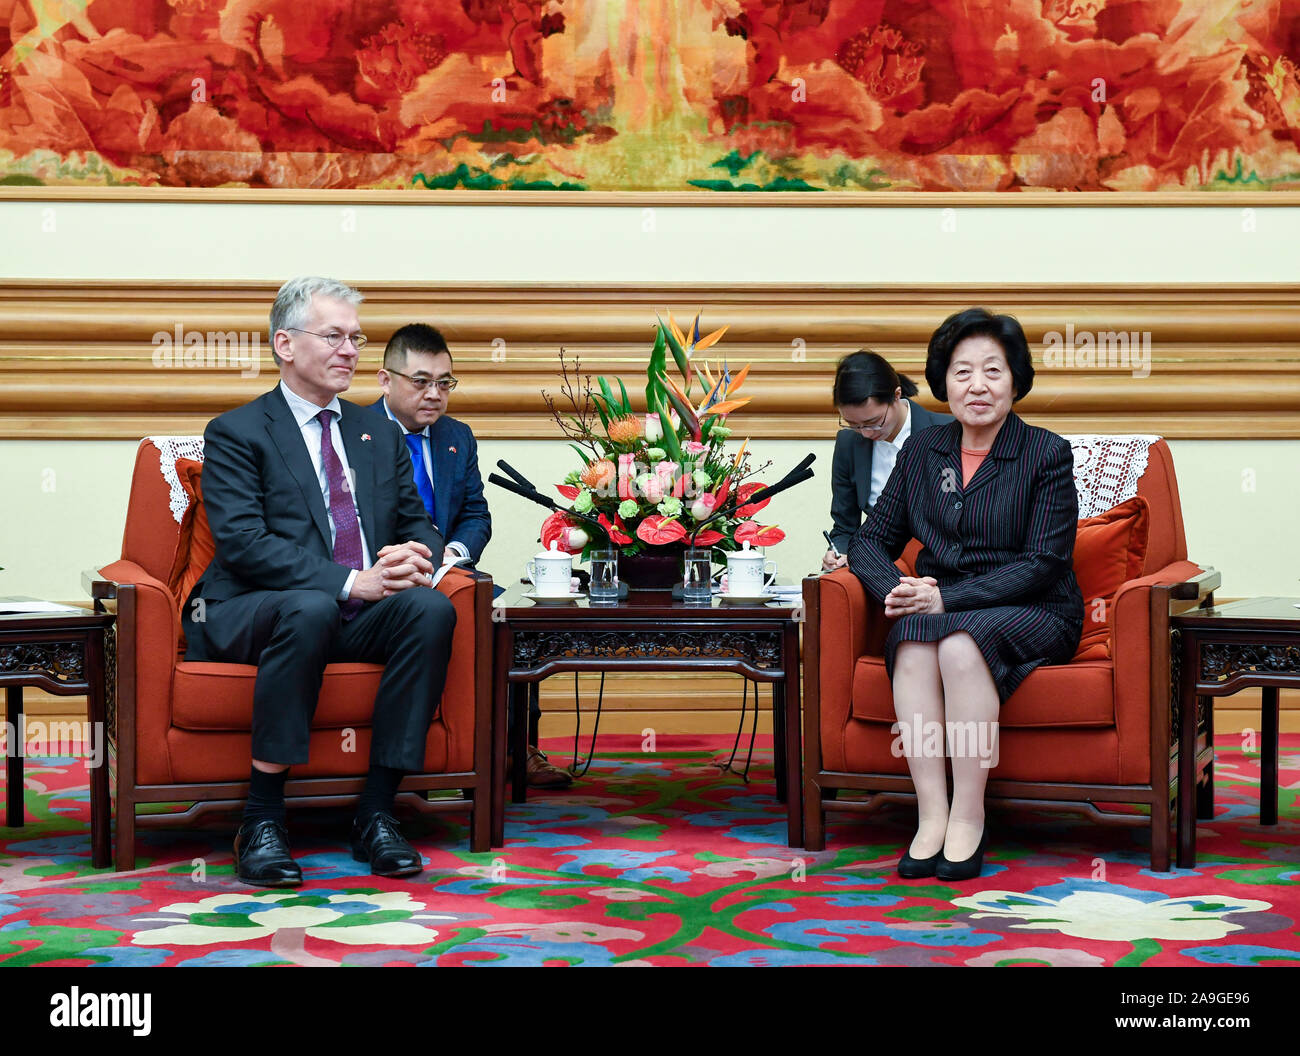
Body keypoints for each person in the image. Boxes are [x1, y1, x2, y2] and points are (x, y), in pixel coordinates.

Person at [184, 276, 457, 887]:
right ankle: (261, 819)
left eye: (355, 338)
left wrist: (414, 558)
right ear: (285, 343)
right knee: (309, 607)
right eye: (333, 336)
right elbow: (245, 545)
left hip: (354, 613)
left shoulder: (377, 430)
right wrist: (351, 581)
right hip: (254, 608)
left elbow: (420, 522)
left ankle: (377, 812)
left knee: (430, 610)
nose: (349, 350)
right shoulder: (238, 432)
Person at [847, 308, 1083, 881]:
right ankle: (931, 815)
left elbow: (1045, 561)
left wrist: (947, 602)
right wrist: (898, 590)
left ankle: (968, 814)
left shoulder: (1044, 453)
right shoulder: (923, 453)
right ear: (942, 382)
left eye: (993, 371)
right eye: (962, 372)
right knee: (914, 637)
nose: (977, 386)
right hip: (937, 607)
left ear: (1015, 381)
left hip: (1034, 606)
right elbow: (869, 540)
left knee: (955, 641)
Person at [371, 324, 571, 789]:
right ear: (385, 379)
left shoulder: (456, 436)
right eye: (420, 382)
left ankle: (516, 748)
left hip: (451, 573)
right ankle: (444, 751)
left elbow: (476, 515)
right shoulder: (355, 435)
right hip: (388, 575)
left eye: (444, 383)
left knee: (513, 618)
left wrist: (454, 553)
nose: (434, 394)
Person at [824, 351, 953, 570]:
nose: (865, 433)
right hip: (881, 564)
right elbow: (845, 527)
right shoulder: (849, 442)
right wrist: (838, 551)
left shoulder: (947, 432)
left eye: (873, 422)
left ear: (896, 395)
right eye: (853, 424)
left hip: (941, 562)